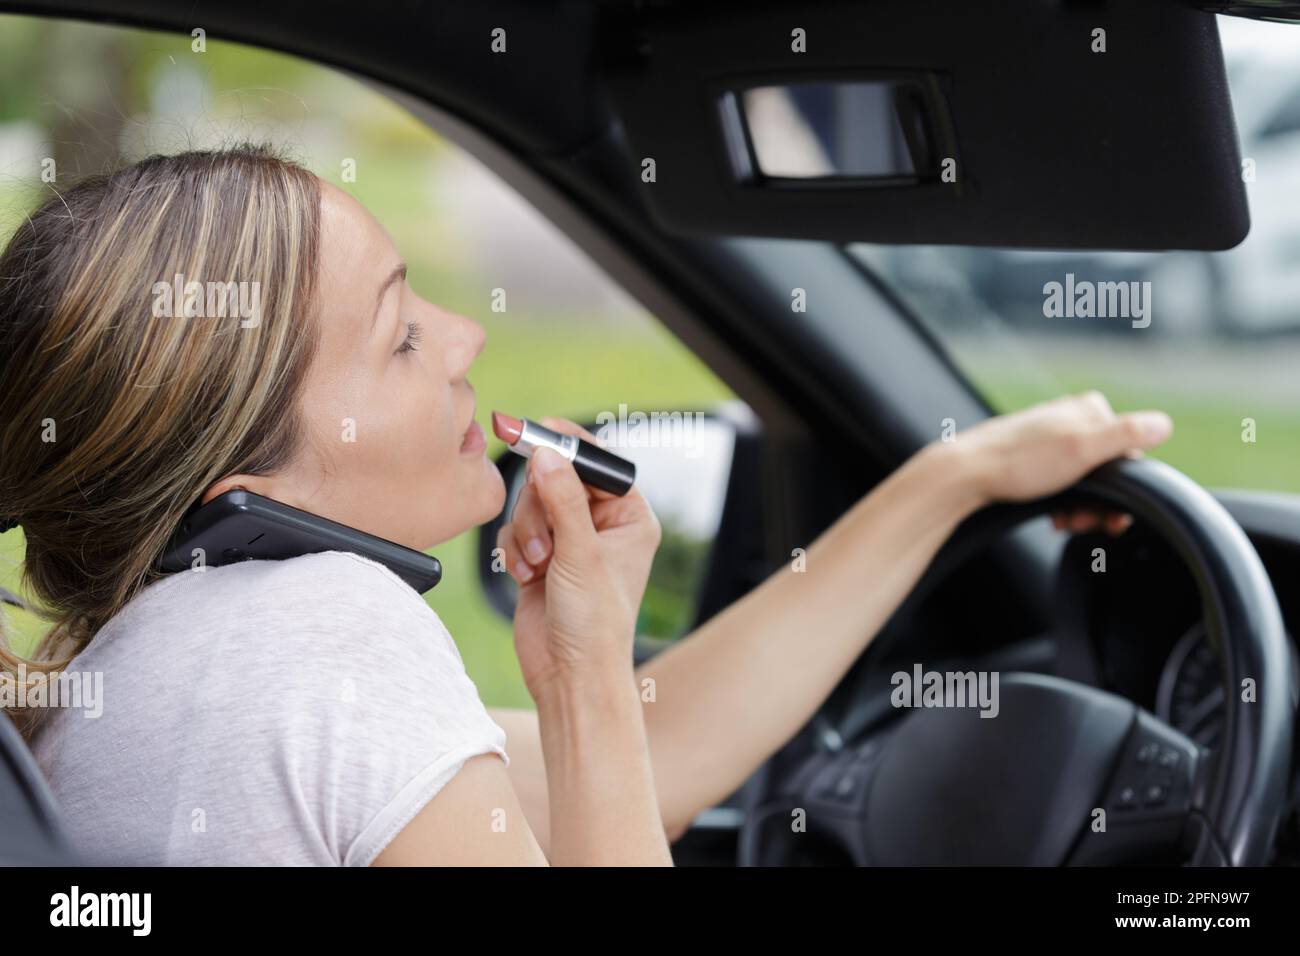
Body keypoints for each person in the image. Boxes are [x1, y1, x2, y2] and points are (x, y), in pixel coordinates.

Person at [0, 145, 1172, 866]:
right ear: (245, 483)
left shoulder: (145, 665)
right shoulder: (323, 629)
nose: (468, 338)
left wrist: (951, 477)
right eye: (401, 335)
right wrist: (584, 677)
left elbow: (641, 762)